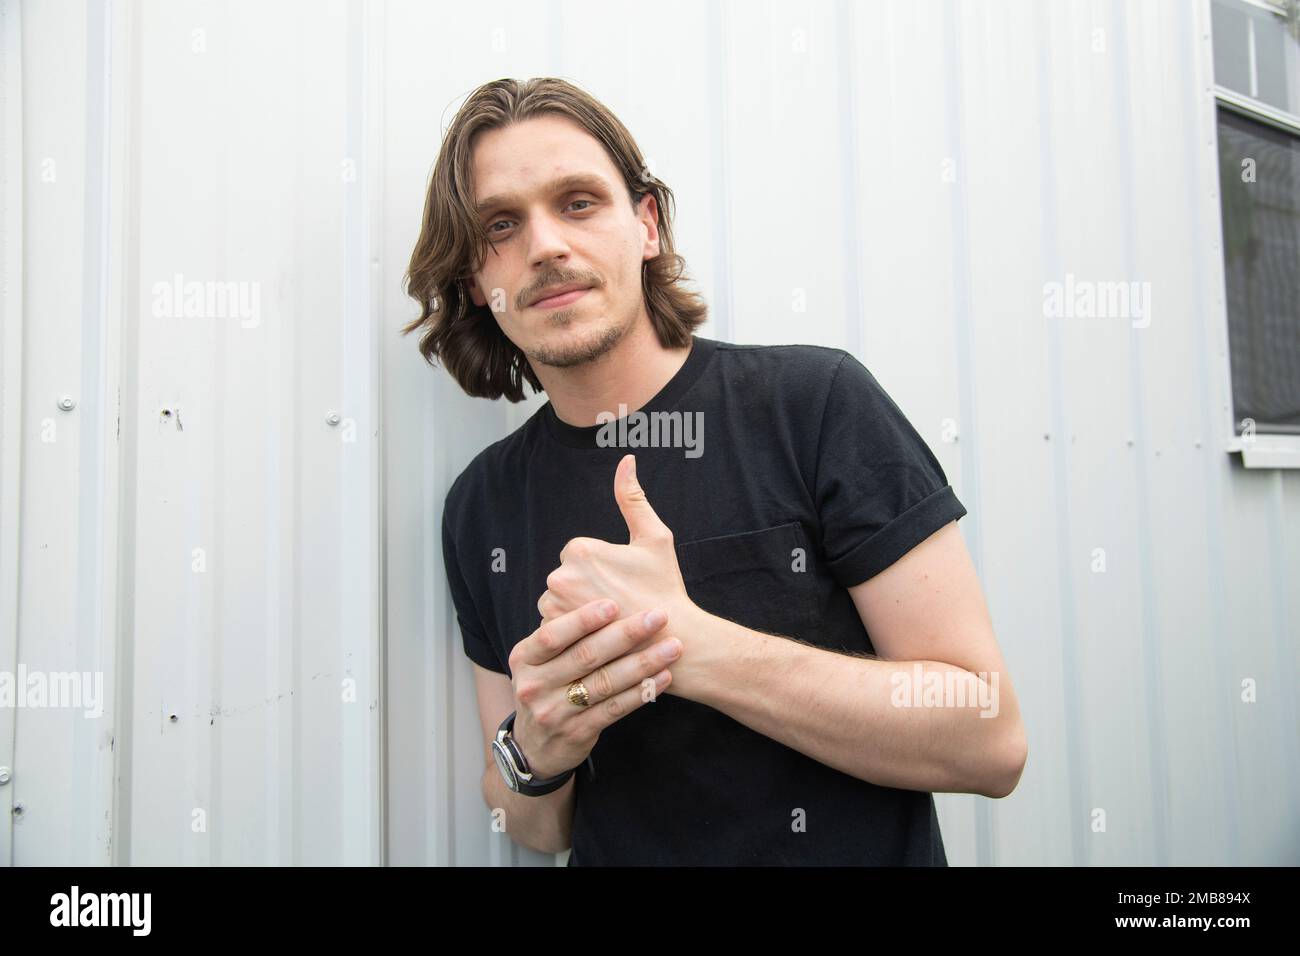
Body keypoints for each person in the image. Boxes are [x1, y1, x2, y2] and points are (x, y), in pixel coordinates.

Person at [403, 76, 1027, 865]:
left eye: (579, 202)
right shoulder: (481, 504)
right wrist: (537, 750)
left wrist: (694, 648)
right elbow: (535, 827)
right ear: (473, 282)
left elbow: (989, 737)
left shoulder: (812, 405)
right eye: (501, 224)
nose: (546, 245)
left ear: (647, 225)